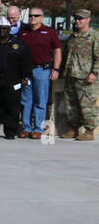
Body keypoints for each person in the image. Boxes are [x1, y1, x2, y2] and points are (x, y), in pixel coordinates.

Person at [0, 18, 32, 139]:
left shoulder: (19, 44)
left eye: (4, 28)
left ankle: (10, 131)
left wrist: (26, 77)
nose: (2, 31)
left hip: (12, 81)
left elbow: (26, 62)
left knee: (12, 107)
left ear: (9, 30)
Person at [17, 8, 62, 139]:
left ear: (42, 17)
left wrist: (56, 69)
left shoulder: (49, 32)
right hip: (26, 71)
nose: (33, 18)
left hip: (42, 70)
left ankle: (38, 129)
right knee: (26, 101)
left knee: (40, 101)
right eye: (31, 15)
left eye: (36, 16)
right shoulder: (23, 32)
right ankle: (26, 128)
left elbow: (57, 51)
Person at [57, 8, 98, 140]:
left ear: (88, 20)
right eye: (76, 18)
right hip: (71, 75)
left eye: (80, 18)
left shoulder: (94, 36)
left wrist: (94, 73)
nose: (77, 21)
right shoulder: (72, 37)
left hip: (86, 77)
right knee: (70, 105)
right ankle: (73, 129)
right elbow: (65, 54)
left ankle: (89, 131)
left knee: (87, 105)